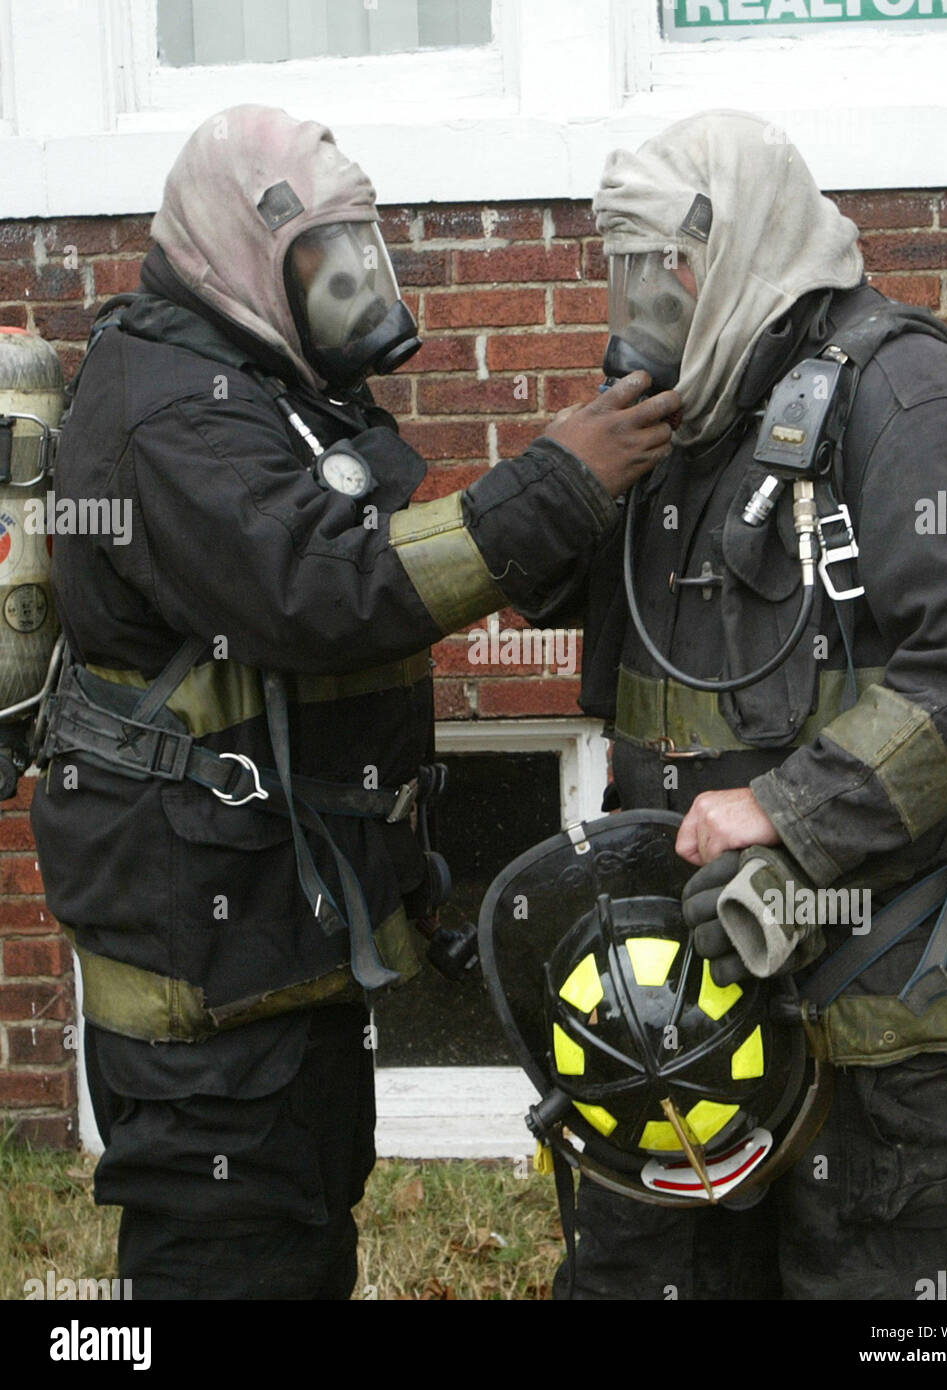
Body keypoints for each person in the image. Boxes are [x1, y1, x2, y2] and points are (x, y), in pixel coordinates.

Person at [28, 104, 680, 1300]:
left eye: (359, 255)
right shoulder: (173, 417)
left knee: (302, 1231)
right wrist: (555, 482)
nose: (353, 288)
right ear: (241, 253)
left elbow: (354, 571)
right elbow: (328, 588)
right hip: (207, 1000)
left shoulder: (262, 384)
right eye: (323, 263)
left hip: (273, 954)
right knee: (227, 1260)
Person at [542, 109, 947, 1300]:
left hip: (889, 1013)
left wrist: (783, 807)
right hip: (697, 996)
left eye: (665, 262)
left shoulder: (910, 399)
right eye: (626, 269)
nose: (645, 298)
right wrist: (557, 479)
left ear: (739, 243)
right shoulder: (681, 424)